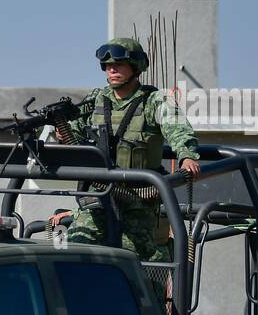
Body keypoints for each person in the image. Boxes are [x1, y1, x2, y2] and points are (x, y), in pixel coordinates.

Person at [51, 38, 201, 260]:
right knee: (71, 249)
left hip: (138, 201)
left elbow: (177, 128)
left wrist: (186, 156)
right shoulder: (96, 100)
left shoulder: (154, 101)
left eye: (118, 65)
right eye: (108, 66)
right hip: (98, 197)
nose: (112, 70)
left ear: (136, 67)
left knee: (136, 260)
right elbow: (75, 134)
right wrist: (60, 130)